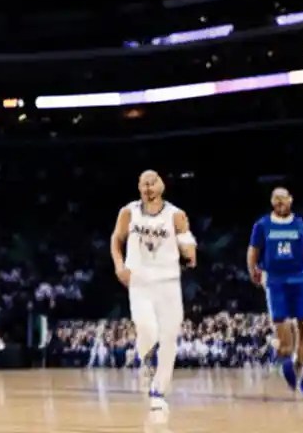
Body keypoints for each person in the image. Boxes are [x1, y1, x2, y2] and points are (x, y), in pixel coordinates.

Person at [110, 170, 196, 418]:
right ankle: (144, 356)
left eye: (152, 182)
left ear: (162, 185)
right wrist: (119, 266)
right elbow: (116, 239)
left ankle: (158, 392)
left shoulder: (176, 214)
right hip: (139, 281)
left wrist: (189, 251)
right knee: (147, 328)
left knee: (169, 338)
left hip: (168, 282)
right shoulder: (129, 212)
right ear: (138, 187)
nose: (148, 187)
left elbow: (187, 241)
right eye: (143, 183)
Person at [247, 186, 303, 402]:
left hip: (300, 279)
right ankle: (285, 359)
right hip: (275, 281)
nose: (280, 201)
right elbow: (253, 252)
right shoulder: (262, 225)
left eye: (283, 198)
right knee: (285, 337)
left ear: (291, 200)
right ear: (272, 202)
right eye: (276, 199)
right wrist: (252, 270)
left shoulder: (302, 225)